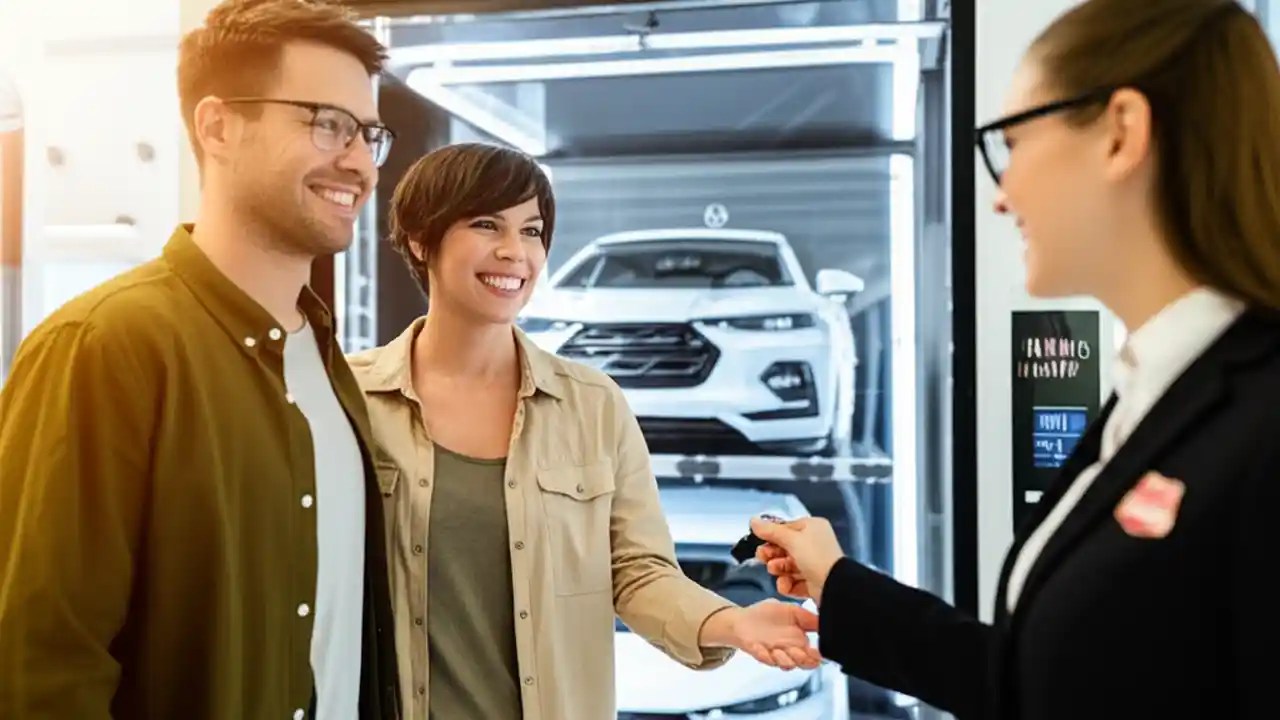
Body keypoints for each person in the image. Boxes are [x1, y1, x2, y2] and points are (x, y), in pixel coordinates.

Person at [749, 1, 1280, 719]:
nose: (1000, 196)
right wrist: (839, 583)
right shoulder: (1152, 393)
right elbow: (1041, 680)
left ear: (1121, 133)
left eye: (1013, 140)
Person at [0, 1, 400, 717]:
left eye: (369, 134)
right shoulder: (104, 345)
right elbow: (42, 665)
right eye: (327, 124)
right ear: (217, 126)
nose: (359, 162)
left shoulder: (328, 359)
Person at [347, 142, 823, 719]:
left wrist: (733, 622)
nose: (513, 252)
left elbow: (637, 572)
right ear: (421, 240)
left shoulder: (593, 406)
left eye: (532, 230)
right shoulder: (351, 397)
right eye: (485, 224)